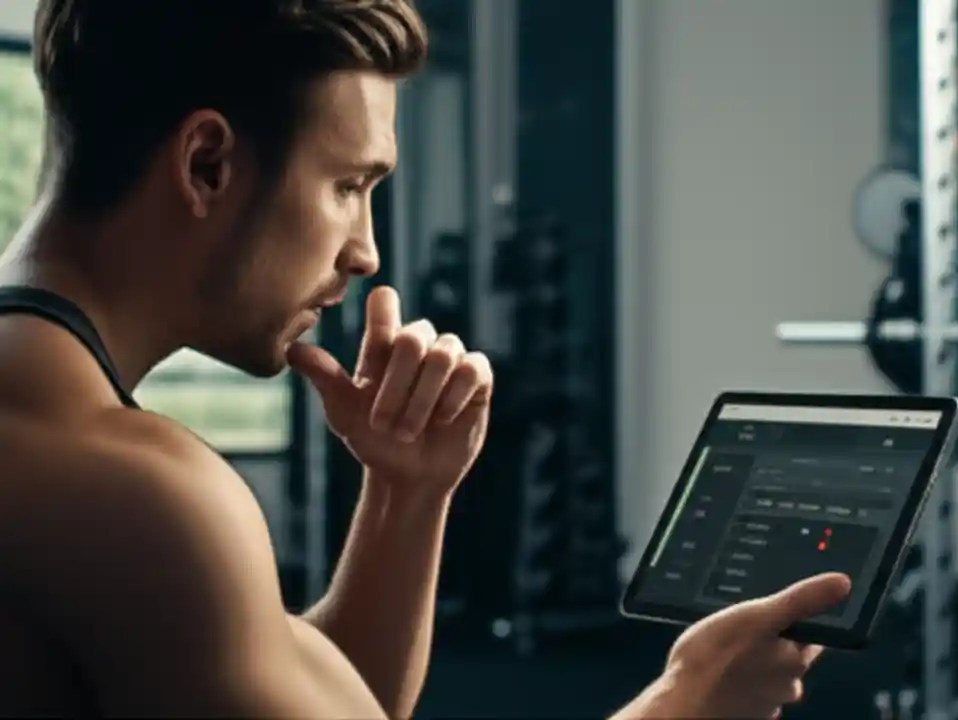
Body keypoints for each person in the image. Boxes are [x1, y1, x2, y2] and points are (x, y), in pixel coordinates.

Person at [0, 1, 853, 718]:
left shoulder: (50, 423)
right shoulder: (138, 493)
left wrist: (408, 492)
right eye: (348, 186)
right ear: (208, 163)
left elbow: (333, 700)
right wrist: (684, 702)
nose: (366, 250)